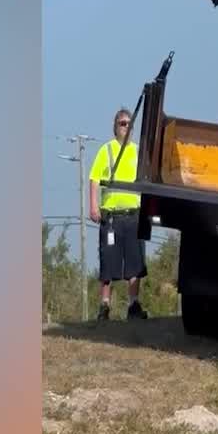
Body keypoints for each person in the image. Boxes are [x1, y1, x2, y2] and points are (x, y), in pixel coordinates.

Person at [88, 108, 148, 321]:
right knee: (108, 265)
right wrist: (94, 206)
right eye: (122, 123)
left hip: (134, 216)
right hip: (112, 218)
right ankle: (104, 307)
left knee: (135, 265)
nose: (126, 127)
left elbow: (146, 183)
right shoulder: (107, 150)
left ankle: (133, 306)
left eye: (129, 124)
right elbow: (94, 179)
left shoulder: (138, 152)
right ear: (115, 127)